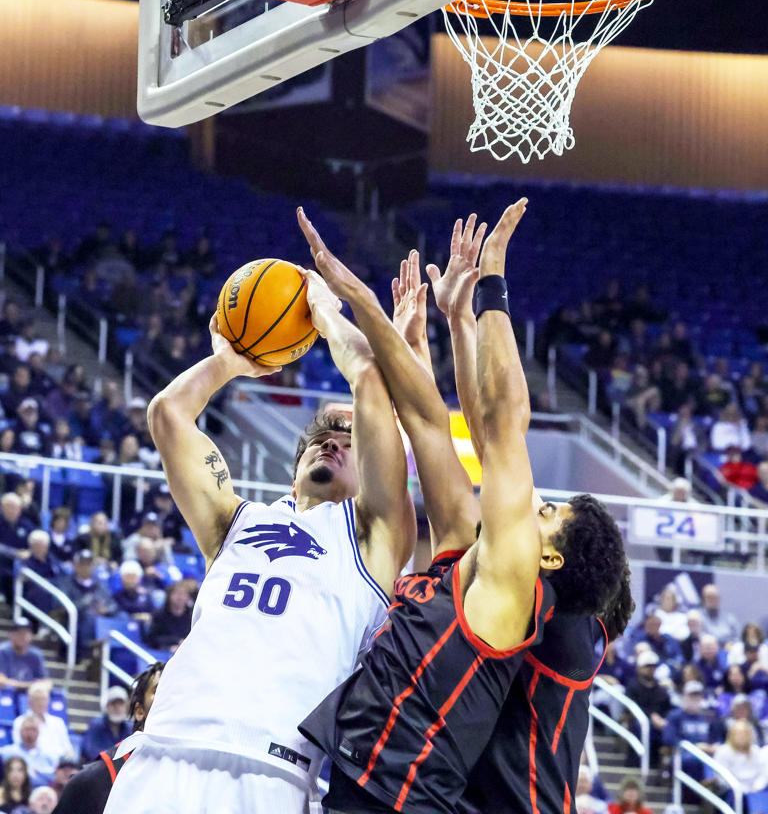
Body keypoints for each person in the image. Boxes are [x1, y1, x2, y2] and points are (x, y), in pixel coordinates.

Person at [297, 202, 630, 814]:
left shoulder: (549, 618)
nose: (533, 502)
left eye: (547, 513)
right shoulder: (473, 565)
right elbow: (437, 426)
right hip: (375, 787)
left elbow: (502, 431)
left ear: (549, 559)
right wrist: (445, 324)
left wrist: (490, 286)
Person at [102, 257, 415, 814]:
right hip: (163, 748)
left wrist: (325, 314)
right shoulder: (236, 522)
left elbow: (368, 377)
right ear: (293, 472)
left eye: (349, 441)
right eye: (321, 438)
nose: (332, 443)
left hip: (271, 770)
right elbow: (169, 414)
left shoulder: (376, 536)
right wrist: (230, 362)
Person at [56, 663, 164, 814]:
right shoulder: (92, 780)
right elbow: (91, 751)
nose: (170, 696)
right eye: (159, 690)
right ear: (139, 711)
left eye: (120, 704)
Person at [12, 681, 73, 761]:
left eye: (43, 699)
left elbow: (68, 749)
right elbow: (19, 749)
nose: (41, 703)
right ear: (29, 701)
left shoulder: (58, 722)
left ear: (48, 701)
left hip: (58, 763)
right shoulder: (20, 722)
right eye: (37, 699)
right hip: (32, 762)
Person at [0, 715, 57, 788]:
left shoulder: (48, 756)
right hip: (13, 790)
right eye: (27, 729)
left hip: (40, 791)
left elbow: (54, 777)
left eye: (33, 729)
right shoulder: (6, 752)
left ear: (38, 732)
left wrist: (39, 772)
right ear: (20, 732)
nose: (30, 733)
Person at [80, 687, 132, 763]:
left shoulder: (129, 728)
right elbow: (91, 752)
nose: (117, 708)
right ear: (106, 706)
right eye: (113, 704)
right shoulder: (96, 725)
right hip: (100, 767)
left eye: (120, 704)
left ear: (126, 707)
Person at [0, 492, 35, 601]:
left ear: (20, 509)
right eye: (8, 507)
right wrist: (15, 553)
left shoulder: (26, 525)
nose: (11, 510)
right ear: (2, 507)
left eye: (14, 507)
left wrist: (30, 552)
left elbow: (34, 544)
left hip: (21, 566)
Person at [0, 618, 48, 690]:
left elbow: (45, 680)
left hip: (29, 693)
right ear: (11, 635)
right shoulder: (2, 651)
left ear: (31, 635)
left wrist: (39, 686)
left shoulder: (36, 654)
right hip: (6, 692)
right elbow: (1, 681)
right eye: (18, 632)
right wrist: (28, 685)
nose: (22, 636)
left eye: (25, 632)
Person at [145, 582, 193, 651]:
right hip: (164, 651)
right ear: (169, 596)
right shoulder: (159, 615)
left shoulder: (191, 615)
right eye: (177, 594)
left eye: (184, 594)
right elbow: (152, 639)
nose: (180, 597)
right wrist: (175, 642)